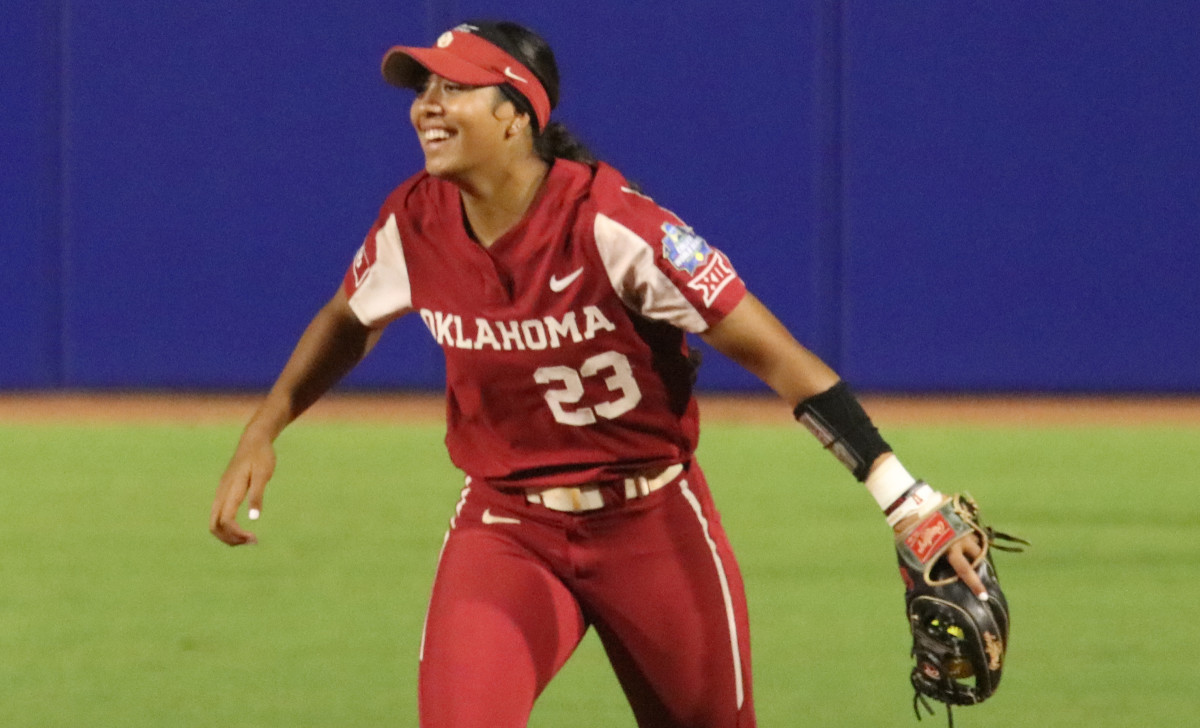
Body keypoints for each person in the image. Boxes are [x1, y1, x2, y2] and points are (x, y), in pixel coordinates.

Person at [209, 20, 988, 728]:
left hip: (651, 524)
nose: (428, 106)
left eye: (455, 88)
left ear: (518, 114)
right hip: (508, 527)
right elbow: (349, 316)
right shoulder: (415, 222)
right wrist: (265, 424)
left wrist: (902, 496)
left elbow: (779, 360)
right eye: (425, 89)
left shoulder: (615, 226)